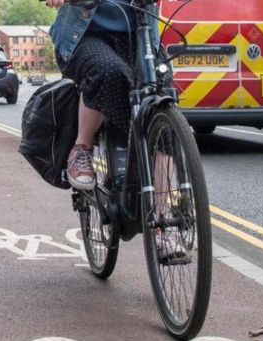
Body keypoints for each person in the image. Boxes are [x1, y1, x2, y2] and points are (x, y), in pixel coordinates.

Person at [47, 0, 186, 261]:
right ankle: (82, 148)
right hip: (87, 35)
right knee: (108, 72)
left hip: (141, 34)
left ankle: (162, 224)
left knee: (163, 104)